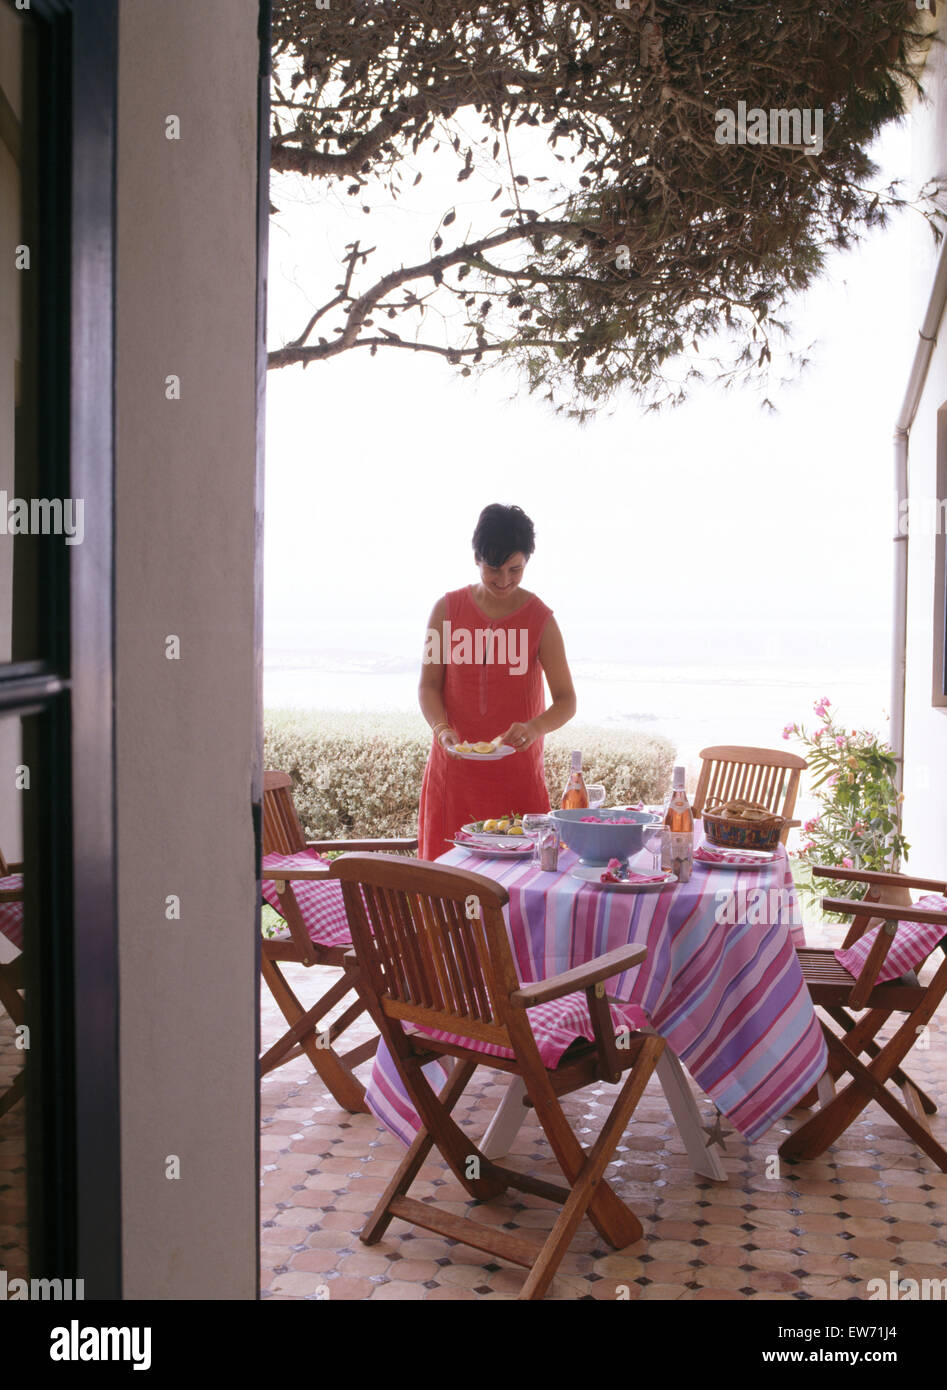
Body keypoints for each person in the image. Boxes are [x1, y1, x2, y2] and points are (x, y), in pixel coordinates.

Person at [417, 503, 577, 860]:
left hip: (517, 778)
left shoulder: (541, 620)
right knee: (445, 893)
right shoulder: (445, 610)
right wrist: (442, 728)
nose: (503, 580)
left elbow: (567, 700)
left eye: (515, 569)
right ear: (476, 558)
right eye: (494, 569)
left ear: (527, 562)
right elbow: (428, 685)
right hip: (453, 778)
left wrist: (535, 727)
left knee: (516, 895)